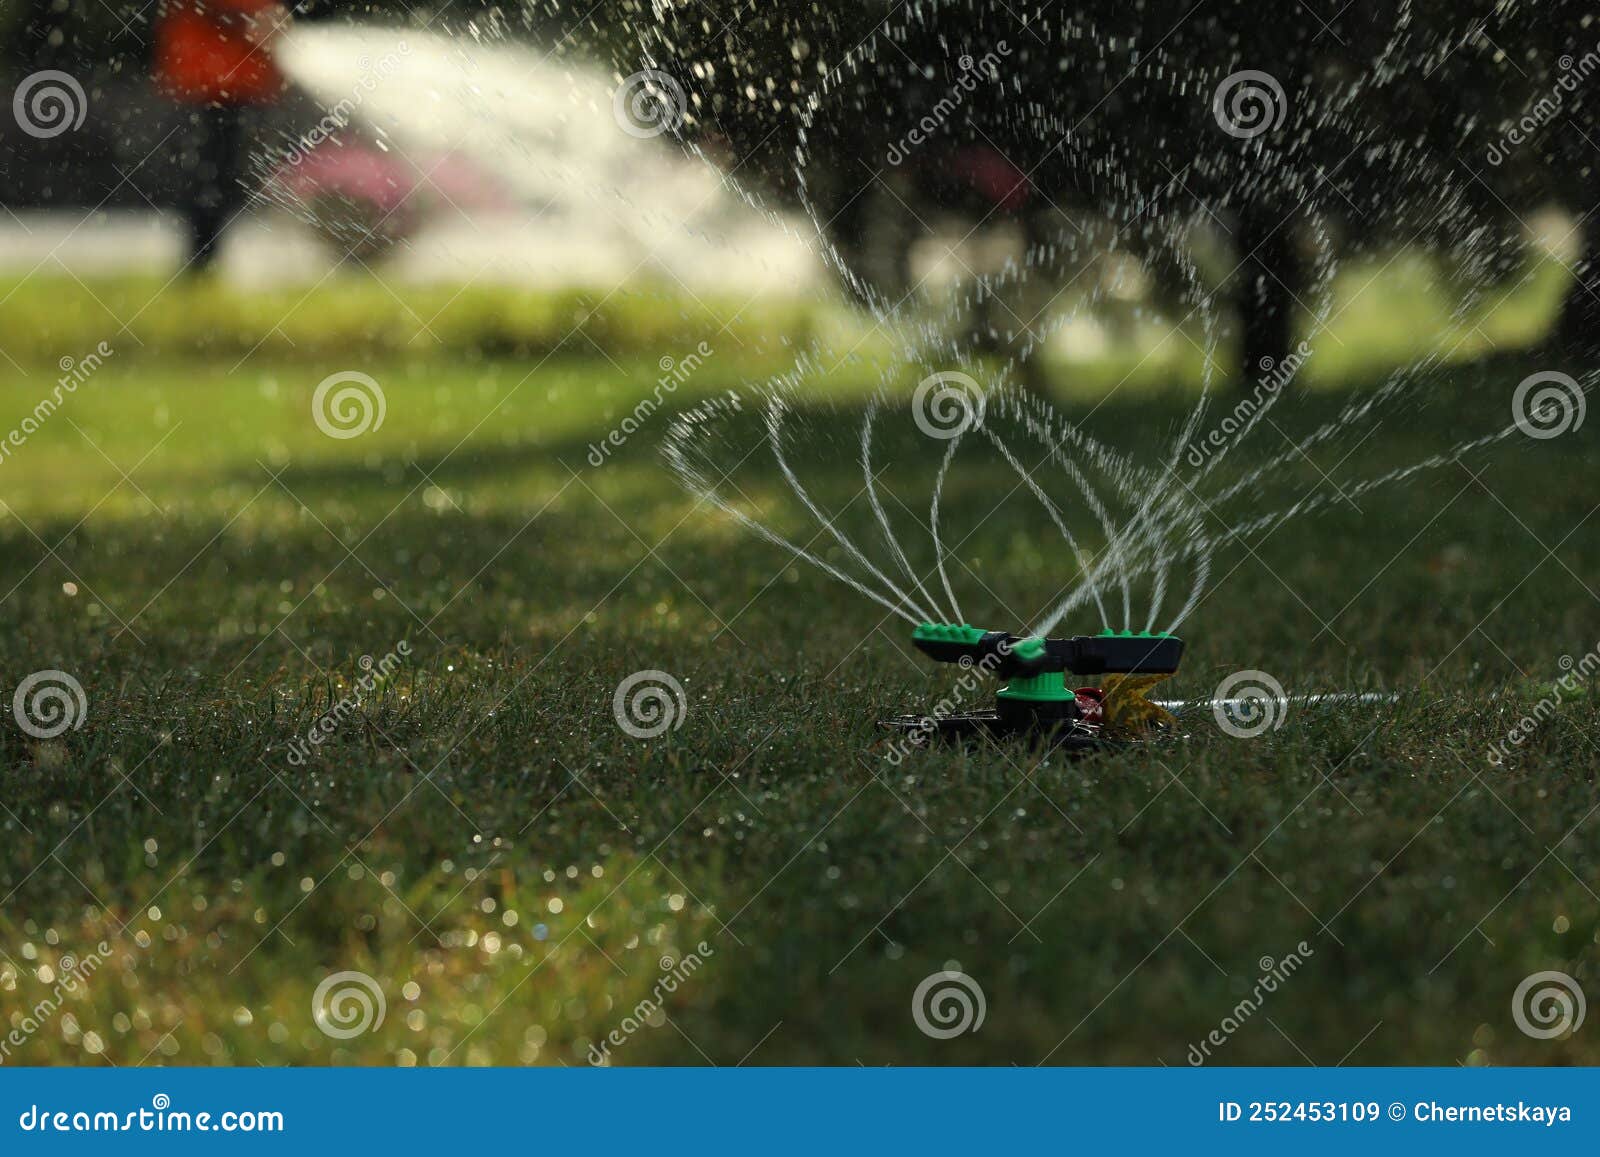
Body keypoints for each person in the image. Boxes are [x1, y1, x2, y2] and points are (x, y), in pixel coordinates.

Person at [154, 0, 290, 271]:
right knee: (205, 175)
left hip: (237, 81)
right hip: (206, 80)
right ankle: (200, 259)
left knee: (221, 175)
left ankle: (207, 258)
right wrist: (248, 18)